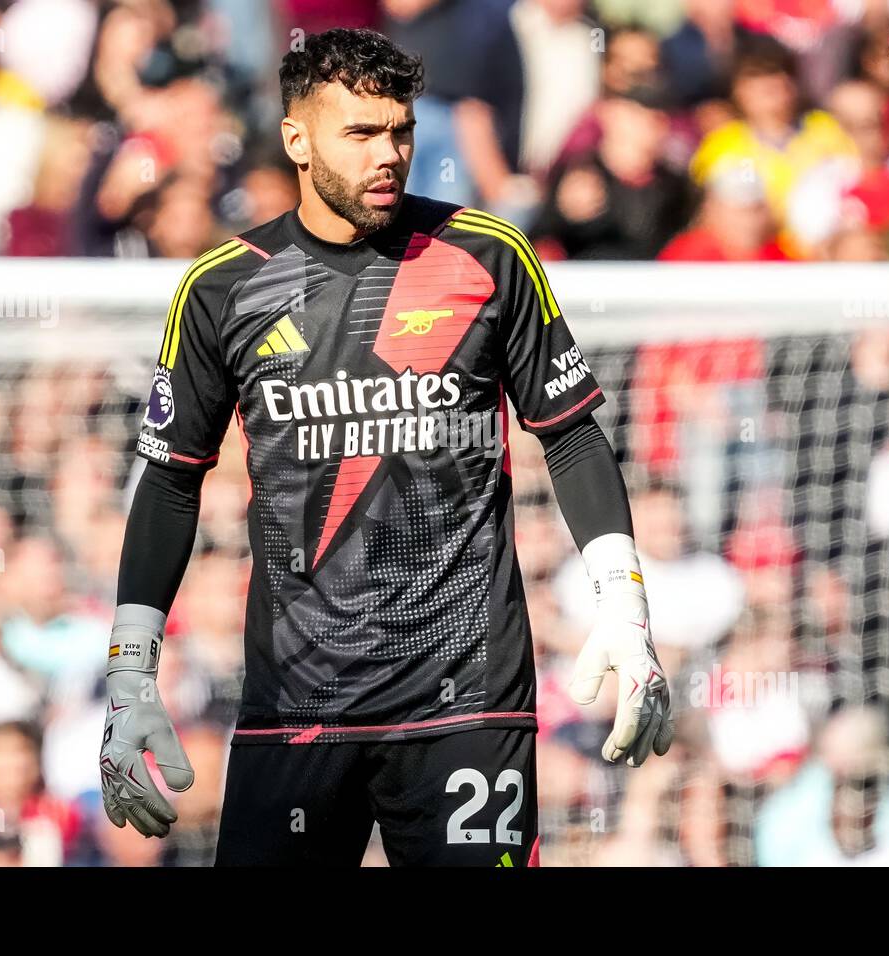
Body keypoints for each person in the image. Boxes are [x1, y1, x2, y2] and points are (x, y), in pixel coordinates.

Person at [99, 28, 672, 868]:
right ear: (297, 139)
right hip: (296, 705)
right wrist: (128, 672)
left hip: (467, 703)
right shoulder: (222, 286)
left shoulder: (490, 256)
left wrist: (624, 608)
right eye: (359, 133)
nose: (389, 154)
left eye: (399, 131)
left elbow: (572, 433)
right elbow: (172, 480)